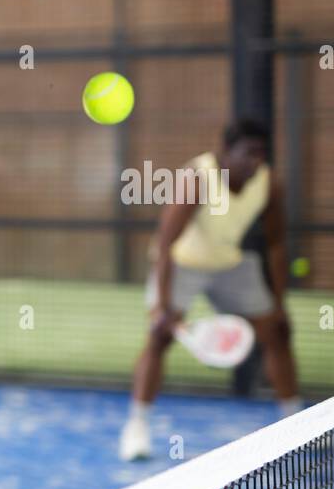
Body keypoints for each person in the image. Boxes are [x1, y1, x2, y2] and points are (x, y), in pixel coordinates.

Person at [119, 118, 301, 461]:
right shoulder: (196, 180)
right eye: (248, 153)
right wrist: (161, 307)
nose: (255, 161)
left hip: (231, 265)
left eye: (261, 154)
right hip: (182, 262)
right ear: (225, 152)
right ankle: (137, 427)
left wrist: (279, 304)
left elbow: (276, 246)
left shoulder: (269, 184)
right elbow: (166, 244)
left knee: (277, 332)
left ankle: (297, 425)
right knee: (159, 337)